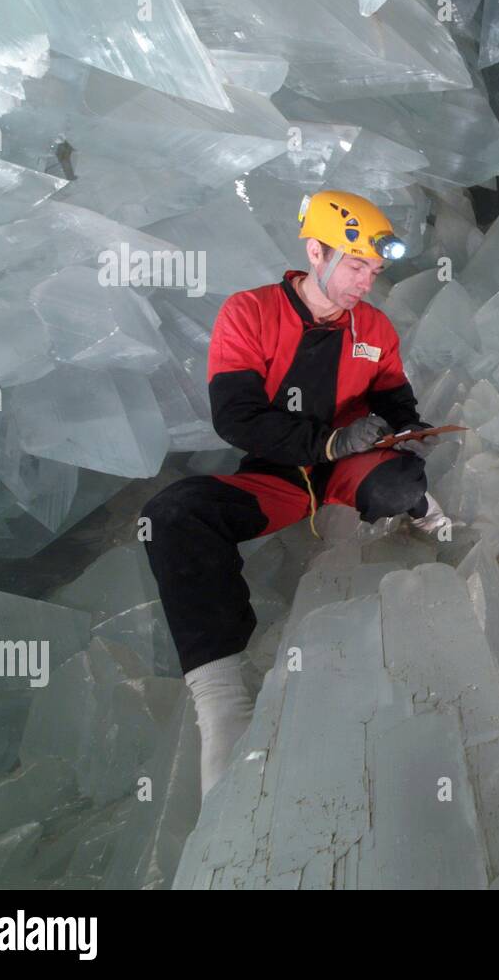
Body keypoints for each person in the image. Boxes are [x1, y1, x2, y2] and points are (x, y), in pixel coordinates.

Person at [140, 189, 453, 798]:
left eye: (376, 270)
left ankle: (422, 510)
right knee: (173, 514)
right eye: (357, 265)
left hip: (350, 467)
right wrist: (331, 441)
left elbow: (395, 399)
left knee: (399, 480)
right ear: (316, 251)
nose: (367, 281)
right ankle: (221, 701)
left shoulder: (375, 328)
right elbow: (234, 416)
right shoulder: (249, 313)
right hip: (279, 472)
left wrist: (405, 430)